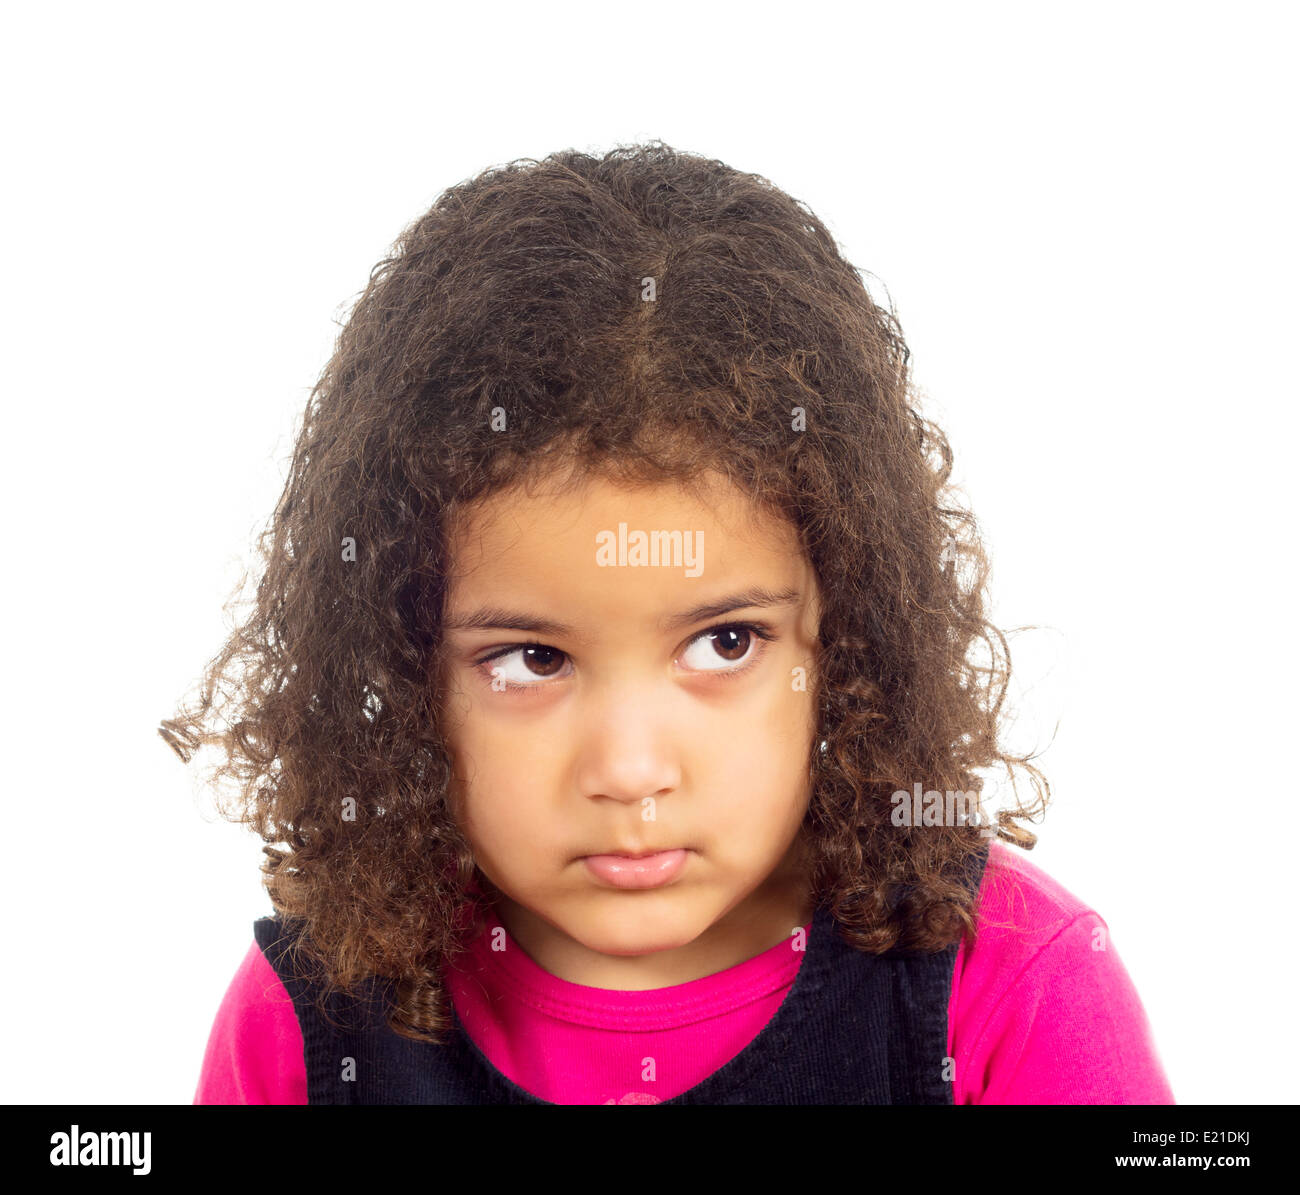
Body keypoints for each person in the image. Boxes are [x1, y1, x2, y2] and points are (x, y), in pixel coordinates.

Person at [167, 141, 1174, 1105]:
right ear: (401, 662)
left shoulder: (1008, 988)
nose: (632, 770)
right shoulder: (310, 1025)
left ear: (845, 634)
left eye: (723, 642)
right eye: (532, 658)